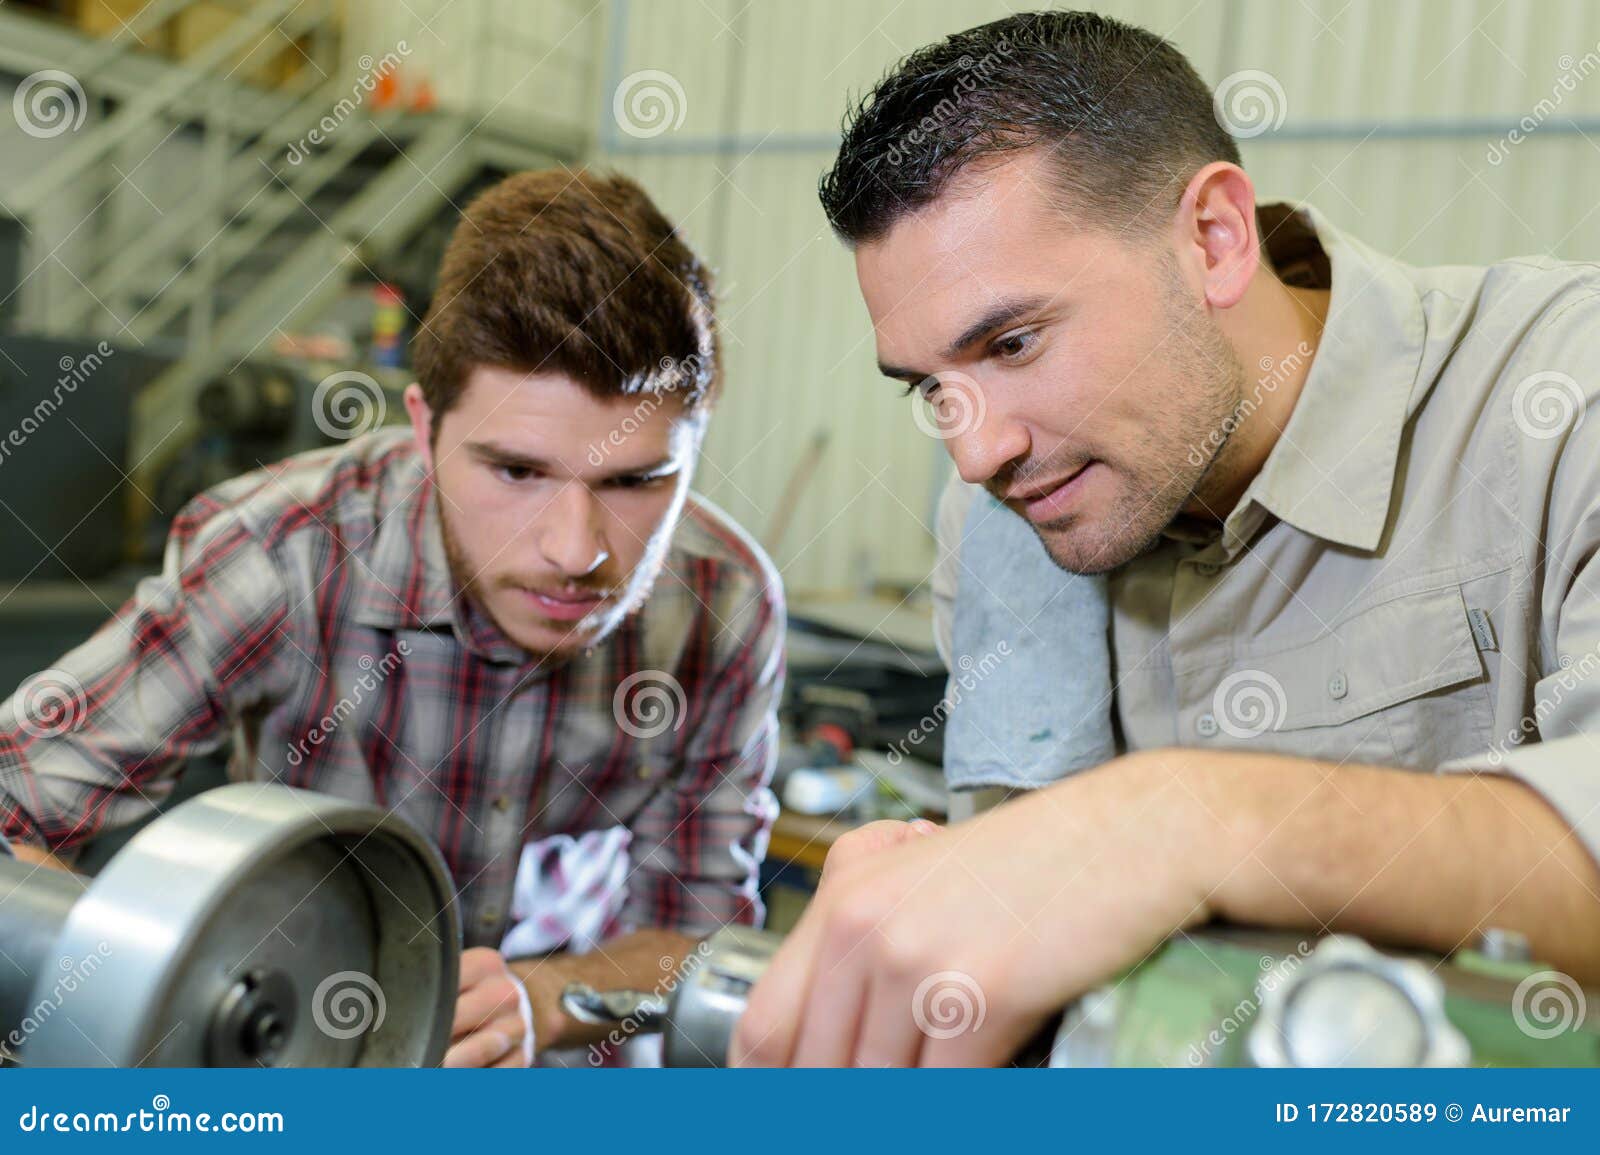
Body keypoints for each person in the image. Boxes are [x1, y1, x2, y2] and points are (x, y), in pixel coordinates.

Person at [733, 10, 1600, 1067]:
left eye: (1012, 342)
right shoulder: (1012, 516)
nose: (976, 454)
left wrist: (1190, 818)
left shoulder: (1561, 401)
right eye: (932, 390)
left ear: (1213, 239)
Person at [0, 169, 784, 1067]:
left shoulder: (727, 606)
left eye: (635, 481)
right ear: (422, 430)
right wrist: (129, 985)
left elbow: (702, 942)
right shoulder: (282, 554)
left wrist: (541, 1000)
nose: (577, 550)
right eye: (518, 473)